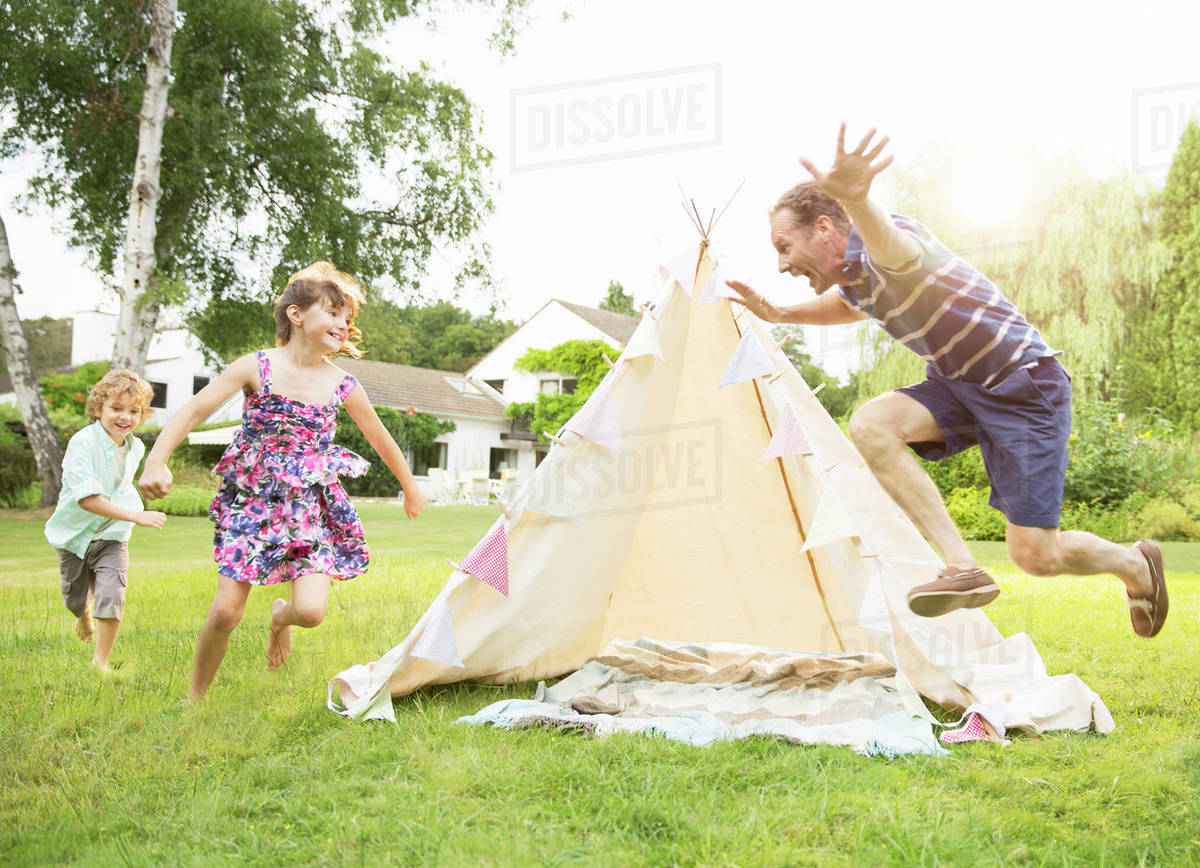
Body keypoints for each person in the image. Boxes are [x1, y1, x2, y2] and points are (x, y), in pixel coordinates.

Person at [727, 124, 1167, 637]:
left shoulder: (888, 244)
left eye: (784, 246)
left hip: (1024, 387)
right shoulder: (856, 280)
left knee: (1036, 556)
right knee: (872, 424)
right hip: (961, 383)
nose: (780, 264)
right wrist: (779, 313)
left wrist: (859, 198)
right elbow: (846, 308)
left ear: (824, 228)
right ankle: (961, 566)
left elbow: (894, 252)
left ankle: (1137, 565)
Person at [138, 261, 429, 699]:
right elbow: (193, 410)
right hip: (251, 503)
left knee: (311, 612)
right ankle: (195, 698)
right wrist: (156, 460)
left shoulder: (343, 384)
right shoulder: (255, 367)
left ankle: (280, 616)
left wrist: (410, 486)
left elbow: (381, 439)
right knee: (226, 612)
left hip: (307, 507)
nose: (343, 325)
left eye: (348, 319)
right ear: (297, 315)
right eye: (333, 313)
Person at [45, 369, 167, 672]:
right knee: (74, 598)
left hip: (113, 534)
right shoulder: (82, 443)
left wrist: (162, 475)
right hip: (75, 535)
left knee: (112, 594)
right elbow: (87, 499)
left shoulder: (135, 447)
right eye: (116, 408)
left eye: (134, 411)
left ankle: (101, 662)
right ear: (98, 408)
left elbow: (126, 485)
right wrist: (137, 516)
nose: (125, 417)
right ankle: (82, 615)